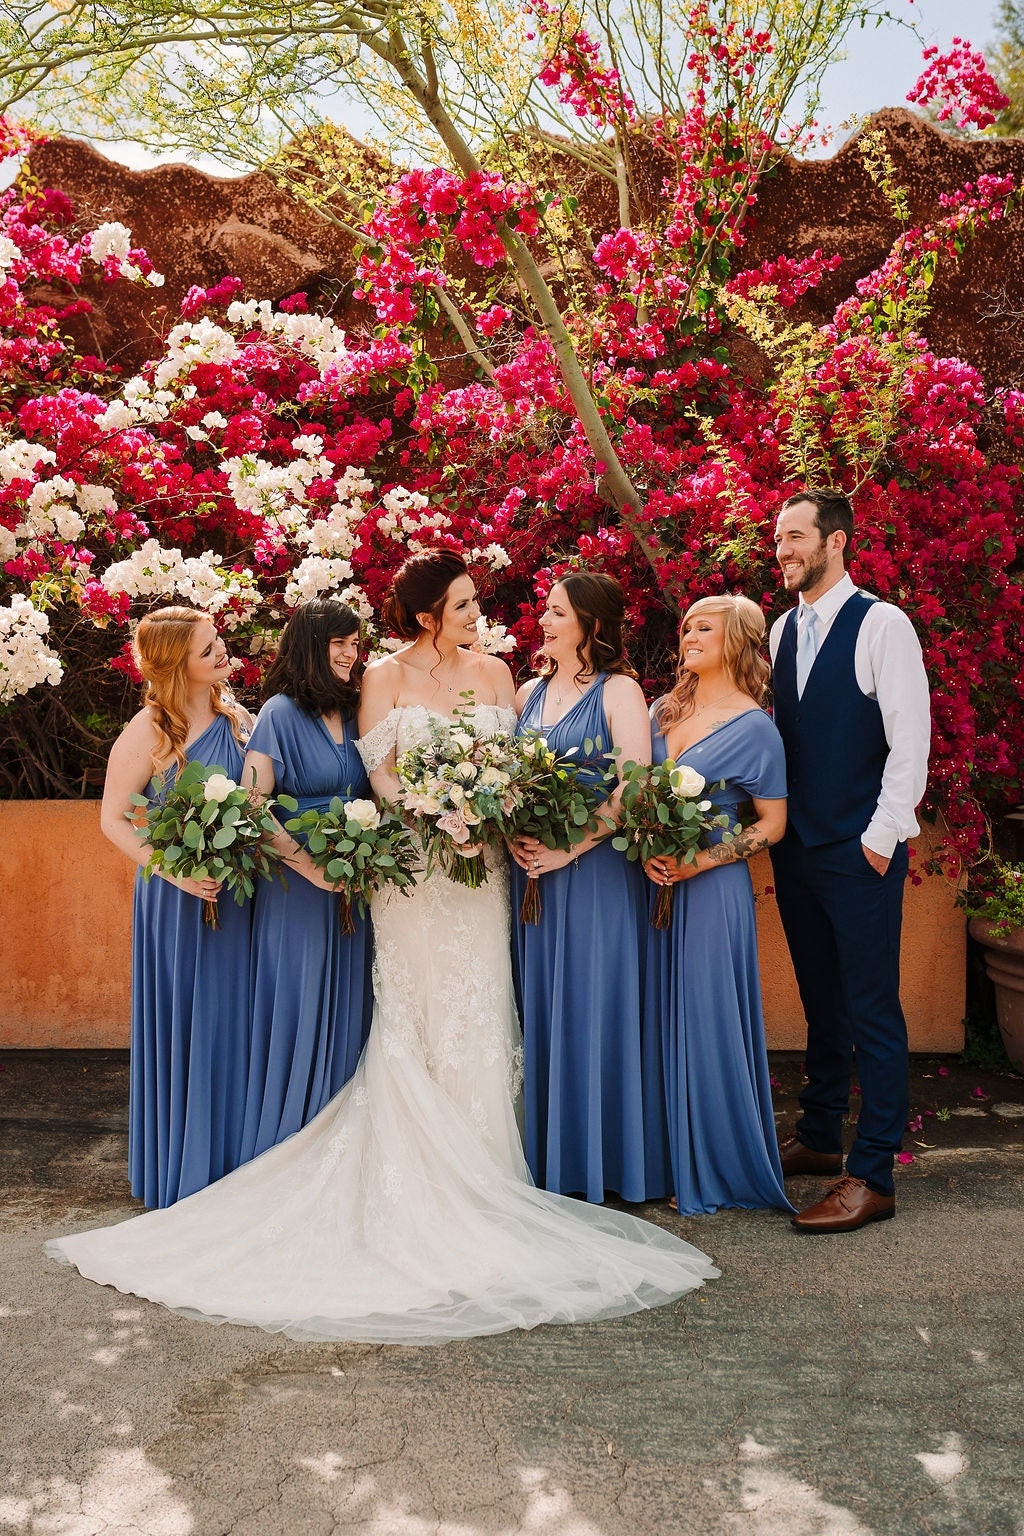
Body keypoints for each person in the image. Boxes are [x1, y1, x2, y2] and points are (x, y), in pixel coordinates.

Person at [46, 550, 717, 1342]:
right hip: (411, 868)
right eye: (463, 604)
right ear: (429, 613)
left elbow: (519, 766)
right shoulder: (380, 679)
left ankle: (489, 1169)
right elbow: (379, 776)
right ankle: (415, 1166)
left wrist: (485, 811)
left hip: (485, 867)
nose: (478, 615)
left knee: (481, 1000)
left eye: (475, 603)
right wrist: (437, 810)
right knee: (413, 1007)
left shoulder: (506, 677)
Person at [770, 489, 931, 1234]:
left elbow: (910, 740)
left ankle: (871, 1176)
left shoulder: (882, 624)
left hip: (859, 849)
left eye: (797, 536)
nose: (783, 549)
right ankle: (820, 1131)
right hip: (799, 849)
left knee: (871, 1007)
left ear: (836, 542)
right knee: (821, 998)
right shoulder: (780, 630)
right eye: (778, 539)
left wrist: (881, 836)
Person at [510, 572, 671, 1204]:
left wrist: (566, 849)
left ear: (592, 626)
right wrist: (512, 839)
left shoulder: (620, 690)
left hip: (596, 876)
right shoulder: (526, 692)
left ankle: (602, 1165)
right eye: (544, 610)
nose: (543, 621)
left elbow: (632, 785)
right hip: (532, 882)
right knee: (542, 1010)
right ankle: (549, 1162)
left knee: (593, 1007)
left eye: (556, 612)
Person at [97, 606, 254, 1208]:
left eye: (218, 643)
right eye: (207, 649)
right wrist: (178, 873)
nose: (222, 654)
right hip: (178, 895)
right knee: (189, 1021)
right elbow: (112, 819)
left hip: (238, 893)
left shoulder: (235, 715)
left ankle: (235, 1159)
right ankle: (184, 1169)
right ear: (174, 665)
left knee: (236, 1020)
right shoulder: (147, 730)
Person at [645, 595, 790, 1216]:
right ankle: (654, 1157)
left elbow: (773, 825)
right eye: (686, 627)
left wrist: (698, 861)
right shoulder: (661, 709)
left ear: (737, 641)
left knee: (706, 1018)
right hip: (648, 884)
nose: (689, 634)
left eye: (705, 627)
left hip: (710, 890)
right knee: (651, 1015)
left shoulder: (756, 726)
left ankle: (712, 1164)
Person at [237, 599, 373, 1162]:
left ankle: (339, 1148)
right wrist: (306, 862)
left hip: (353, 882)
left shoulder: (358, 706)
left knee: (349, 1005)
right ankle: (286, 1148)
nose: (351, 652)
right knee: (300, 1002)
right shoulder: (278, 712)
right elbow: (251, 804)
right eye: (339, 642)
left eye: (355, 642)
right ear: (312, 648)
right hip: (295, 887)